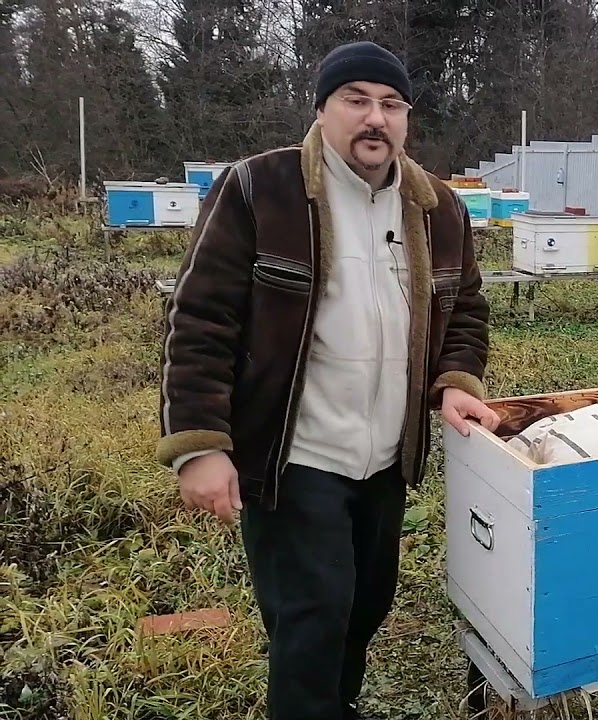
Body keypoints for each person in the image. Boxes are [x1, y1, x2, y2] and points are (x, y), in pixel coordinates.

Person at [155, 40, 501, 720]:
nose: (375, 118)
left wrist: (457, 380)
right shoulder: (261, 188)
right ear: (322, 109)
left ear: (406, 119)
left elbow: (465, 308)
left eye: (391, 105)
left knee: (365, 606)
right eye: (356, 100)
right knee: (313, 616)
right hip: (296, 452)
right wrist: (200, 445)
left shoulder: (438, 208)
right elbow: (200, 319)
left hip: (386, 457)